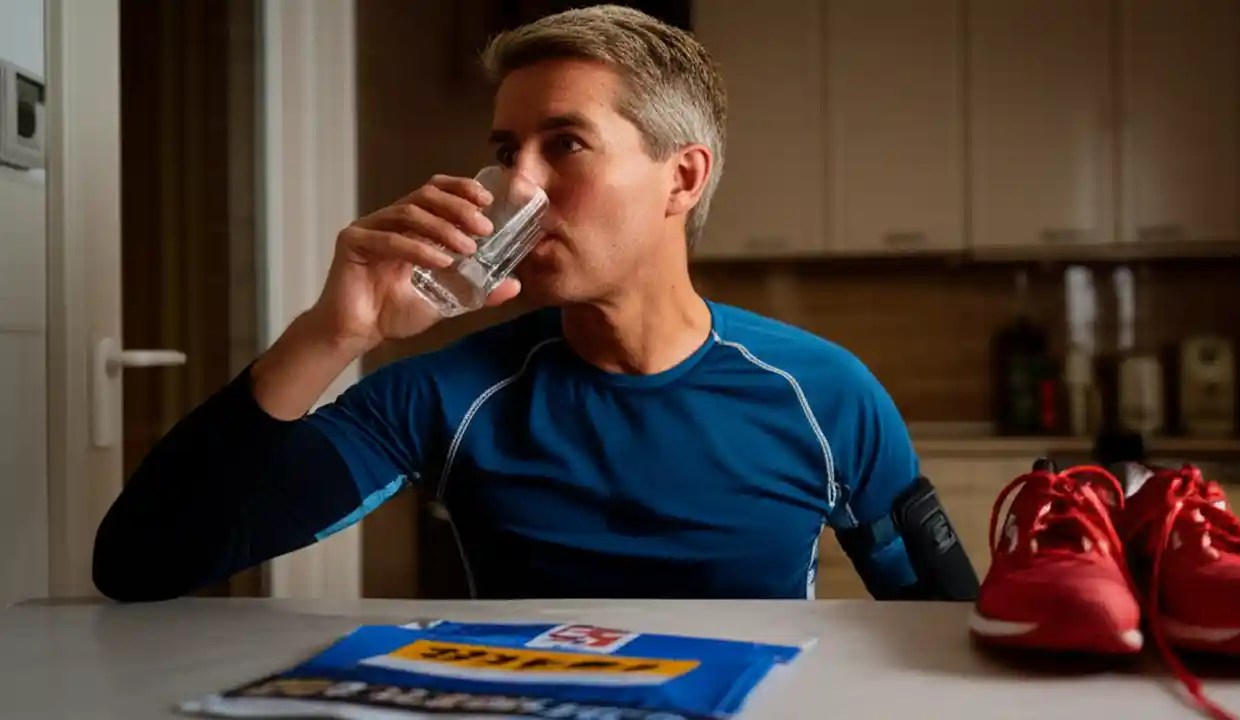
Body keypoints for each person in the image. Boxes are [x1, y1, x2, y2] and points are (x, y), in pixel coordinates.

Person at [92, 5, 978, 602]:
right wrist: (337, 331)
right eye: (507, 149)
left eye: (566, 145)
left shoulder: (824, 395)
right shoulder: (445, 394)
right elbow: (143, 563)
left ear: (683, 176)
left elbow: (942, 617)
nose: (516, 187)